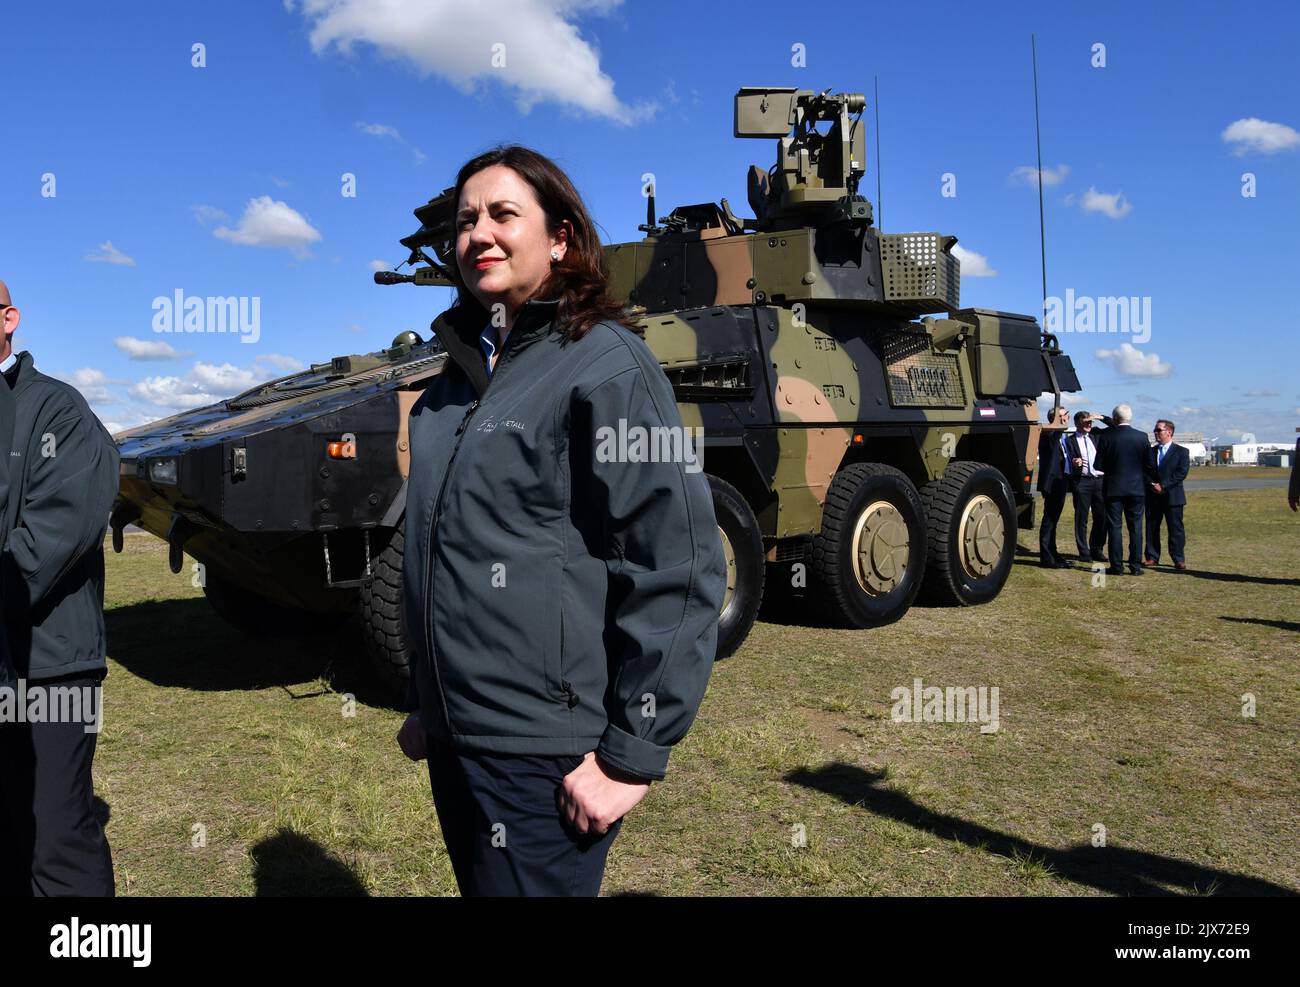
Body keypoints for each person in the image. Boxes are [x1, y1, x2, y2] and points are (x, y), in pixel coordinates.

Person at [394, 147, 727, 896]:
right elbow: (435, 550)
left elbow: (681, 561)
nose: (478, 232)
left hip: (543, 755)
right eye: (466, 219)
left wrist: (628, 755)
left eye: (504, 214)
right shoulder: (451, 387)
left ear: (561, 239)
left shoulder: (609, 365)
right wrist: (427, 698)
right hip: (459, 739)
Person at [0, 280, 119, 896]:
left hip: (48, 668)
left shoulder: (57, 413)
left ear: (10, 318)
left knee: (55, 835)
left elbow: (49, 539)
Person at [1095, 403, 1151, 576]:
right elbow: (1149, 464)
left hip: (1114, 487)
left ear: (1115, 418)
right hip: (1136, 488)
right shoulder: (1142, 437)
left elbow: (1098, 465)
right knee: (1136, 528)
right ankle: (1135, 566)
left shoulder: (1107, 437)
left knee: (1115, 527)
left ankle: (1117, 566)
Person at [1145, 419, 1189, 569]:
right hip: (1153, 496)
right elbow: (1145, 471)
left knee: (1176, 529)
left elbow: (1181, 473)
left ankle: (1178, 558)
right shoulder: (1150, 451)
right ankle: (1152, 556)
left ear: (1169, 432)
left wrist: (1163, 486)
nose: (1155, 433)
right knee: (1152, 527)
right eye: (1155, 431)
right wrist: (1152, 484)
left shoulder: (1182, 452)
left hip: (1173, 497)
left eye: (1158, 430)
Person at [1065, 410, 1107, 562]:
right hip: (1082, 481)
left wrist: (1100, 417)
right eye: (1086, 421)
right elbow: (1066, 460)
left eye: (1091, 422)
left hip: (1100, 481)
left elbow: (1115, 427)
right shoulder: (1070, 440)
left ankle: (1097, 549)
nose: (1089, 424)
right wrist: (1074, 462)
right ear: (1077, 423)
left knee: (1101, 517)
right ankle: (1084, 551)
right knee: (1081, 518)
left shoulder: (1096, 435)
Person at [1036, 406, 1074, 568]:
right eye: (1065, 415)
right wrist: (1058, 424)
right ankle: (1046, 557)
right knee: (1049, 520)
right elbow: (1051, 442)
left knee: (1054, 520)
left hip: (1061, 482)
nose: (1067, 417)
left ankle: (1053, 552)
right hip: (1052, 484)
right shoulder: (1048, 434)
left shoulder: (1061, 437)